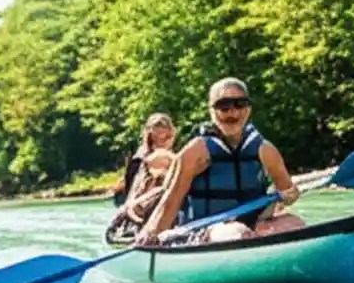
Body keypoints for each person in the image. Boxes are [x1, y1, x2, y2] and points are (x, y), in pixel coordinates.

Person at [135, 77, 304, 246]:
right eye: (224, 106)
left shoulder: (265, 150)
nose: (233, 112)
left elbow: (286, 193)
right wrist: (152, 234)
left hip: (252, 224)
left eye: (240, 104)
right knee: (237, 234)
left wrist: (288, 196)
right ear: (211, 110)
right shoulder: (197, 151)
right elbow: (171, 200)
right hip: (204, 229)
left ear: (248, 109)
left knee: (295, 226)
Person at [106, 113, 177, 243]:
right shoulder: (151, 158)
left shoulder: (143, 158)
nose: (165, 140)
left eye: (167, 136)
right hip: (142, 220)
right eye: (160, 138)